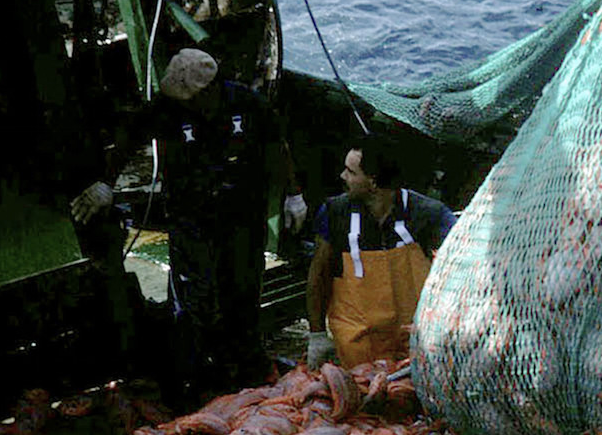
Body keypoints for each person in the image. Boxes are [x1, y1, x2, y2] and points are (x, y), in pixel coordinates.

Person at [71, 47, 306, 403]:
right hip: (191, 219)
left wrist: (294, 194)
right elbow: (129, 137)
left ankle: (247, 365)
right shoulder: (166, 109)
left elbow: (278, 145)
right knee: (196, 300)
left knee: (243, 290)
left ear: (209, 89)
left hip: (242, 216)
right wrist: (106, 181)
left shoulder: (247, 103)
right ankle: (198, 375)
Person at [306, 132, 456, 369]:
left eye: (351, 172)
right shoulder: (334, 212)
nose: (343, 176)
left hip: (414, 339)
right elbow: (318, 275)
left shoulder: (429, 214)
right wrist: (317, 334)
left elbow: (459, 266)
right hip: (358, 342)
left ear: (373, 182)